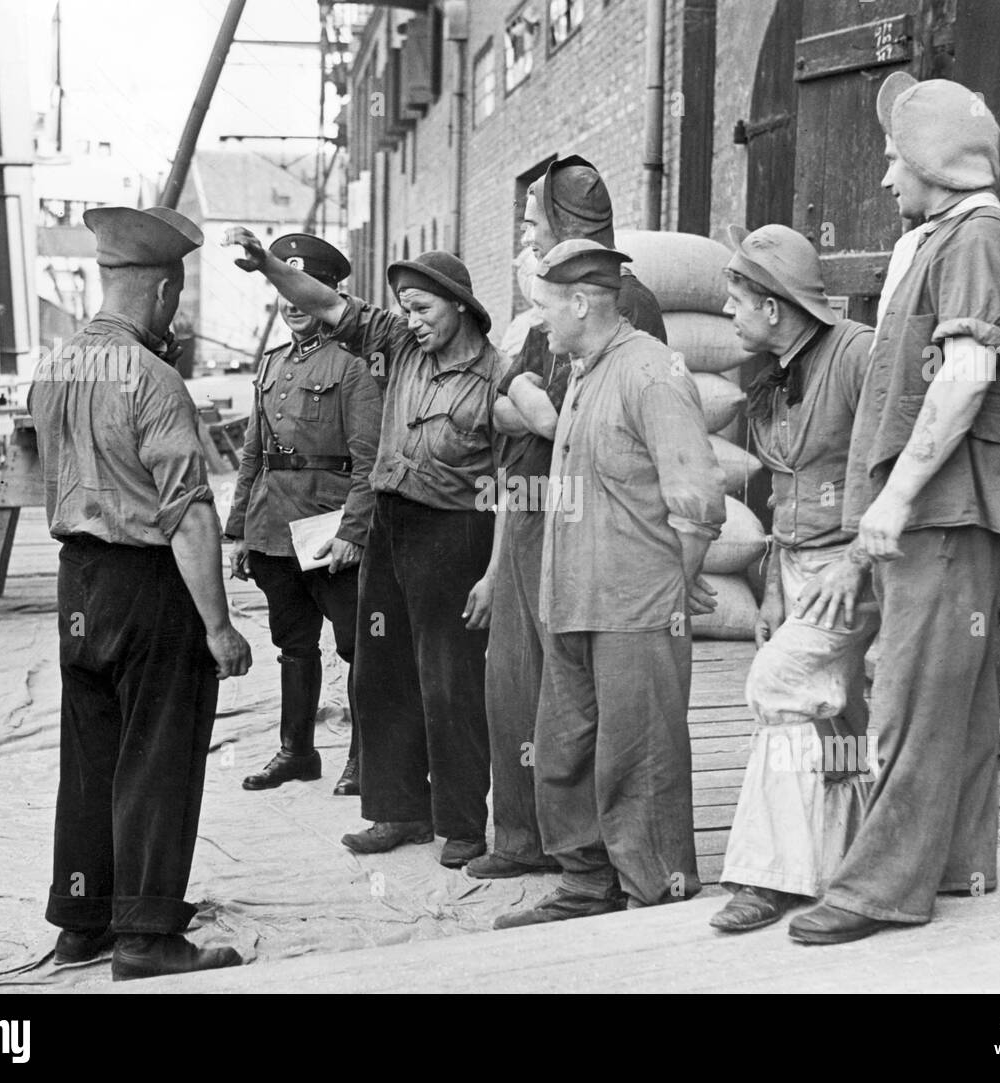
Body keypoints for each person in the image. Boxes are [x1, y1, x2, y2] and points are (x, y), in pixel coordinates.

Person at [787, 73, 1000, 945]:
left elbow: (968, 375)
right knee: (954, 699)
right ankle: (960, 861)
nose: (887, 174)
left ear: (935, 160)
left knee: (907, 697)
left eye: (895, 157)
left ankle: (882, 888)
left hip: (941, 508)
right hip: (940, 509)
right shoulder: (945, 235)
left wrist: (891, 500)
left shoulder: (977, 237)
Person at [226, 226, 502, 869]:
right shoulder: (398, 345)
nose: (412, 318)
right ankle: (398, 811)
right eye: (404, 306)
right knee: (382, 675)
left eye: (423, 307)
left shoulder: (496, 375)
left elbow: (514, 483)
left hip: (454, 530)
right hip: (391, 525)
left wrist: (494, 571)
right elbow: (325, 303)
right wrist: (267, 265)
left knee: (449, 680)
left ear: (459, 305)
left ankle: (461, 823)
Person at [30, 205, 252, 981]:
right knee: (157, 755)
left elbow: (42, 477)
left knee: (90, 757)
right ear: (162, 291)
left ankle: (82, 920)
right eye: (177, 297)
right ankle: (147, 936)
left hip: (78, 583)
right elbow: (190, 515)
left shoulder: (54, 370)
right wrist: (219, 627)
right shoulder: (155, 381)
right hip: (147, 585)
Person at [494, 239, 727, 927]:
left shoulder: (651, 372)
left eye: (542, 308)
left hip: (634, 607)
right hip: (569, 598)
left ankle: (657, 896)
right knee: (564, 752)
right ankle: (587, 881)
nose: (538, 324)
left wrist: (669, 590)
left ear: (581, 302)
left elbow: (700, 501)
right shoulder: (583, 373)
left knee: (642, 759)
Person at [472, 154, 667, 880]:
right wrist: (519, 394)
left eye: (533, 223)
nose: (524, 238)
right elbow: (490, 406)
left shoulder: (626, 301)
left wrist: (520, 392)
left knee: (578, 694)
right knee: (513, 683)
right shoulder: (539, 307)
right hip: (528, 508)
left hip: (588, 516)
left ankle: (594, 855)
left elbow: (566, 418)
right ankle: (522, 837)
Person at [706, 224, 879, 934]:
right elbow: (782, 491)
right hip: (799, 567)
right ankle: (850, 865)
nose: (725, 314)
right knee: (831, 719)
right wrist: (775, 584)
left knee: (776, 685)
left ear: (773, 308)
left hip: (855, 570)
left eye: (735, 299)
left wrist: (858, 560)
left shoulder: (859, 354)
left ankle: (766, 877)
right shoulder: (770, 375)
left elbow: (896, 462)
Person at [224, 234, 381, 796]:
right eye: (285, 294)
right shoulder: (270, 365)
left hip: (327, 528)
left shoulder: (356, 363)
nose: (294, 305)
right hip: (271, 529)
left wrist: (354, 531)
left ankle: (366, 759)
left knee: (356, 645)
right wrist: (239, 529)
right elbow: (253, 452)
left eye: (304, 294)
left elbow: (370, 461)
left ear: (330, 294)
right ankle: (296, 752)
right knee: (292, 642)